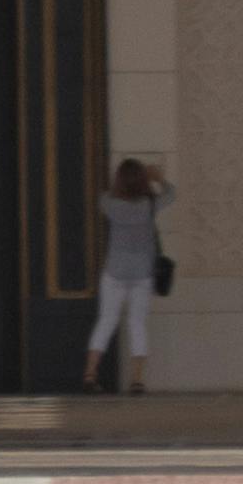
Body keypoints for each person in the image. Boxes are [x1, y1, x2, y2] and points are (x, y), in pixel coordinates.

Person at [83, 151, 172, 394]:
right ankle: (137, 380)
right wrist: (158, 178)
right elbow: (171, 194)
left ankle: (90, 372)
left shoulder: (109, 203)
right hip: (142, 274)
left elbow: (104, 197)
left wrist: (120, 184)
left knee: (106, 320)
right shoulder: (150, 205)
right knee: (137, 324)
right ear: (142, 181)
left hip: (114, 271)